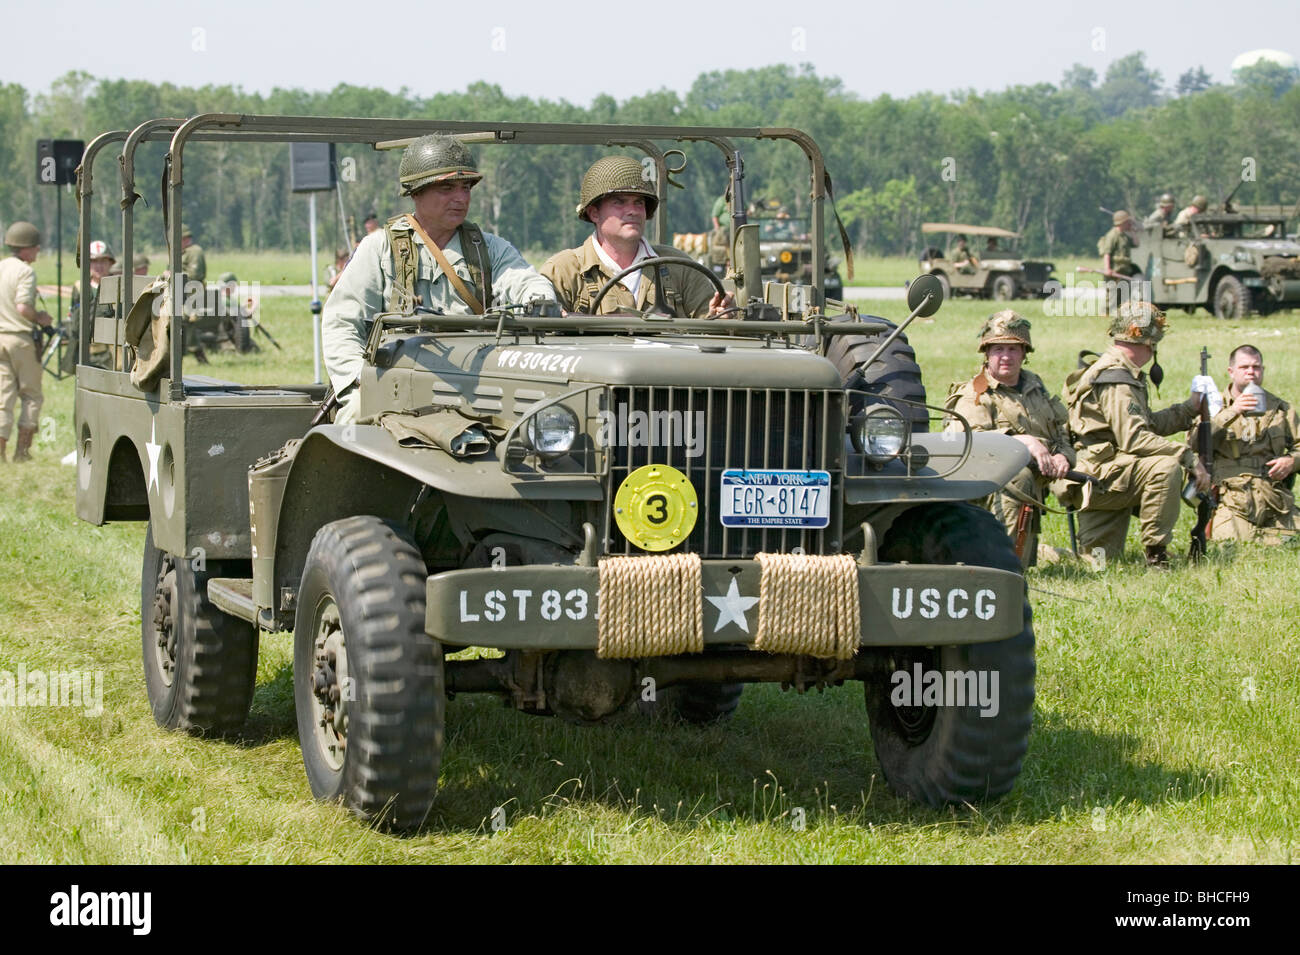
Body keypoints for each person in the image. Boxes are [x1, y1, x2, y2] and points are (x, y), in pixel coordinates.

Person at [323, 134, 557, 424]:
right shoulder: (379, 247)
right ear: (416, 192)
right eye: (447, 188)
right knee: (359, 414)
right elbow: (341, 323)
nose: (461, 198)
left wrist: (540, 298)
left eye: (466, 187)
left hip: (475, 380)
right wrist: (361, 381)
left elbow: (523, 280)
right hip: (397, 384)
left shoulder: (489, 248)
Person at [1061, 301, 1211, 567]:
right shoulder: (1117, 378)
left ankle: (1153, 552)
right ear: (1149, 342)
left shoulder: (1119, 372)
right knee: (1165, 467)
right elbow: (1135, 438)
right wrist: (1188, 456)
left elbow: (1145, 424)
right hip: (1102, 477)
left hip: (1110, 473)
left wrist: (1189, 409)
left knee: (1101, 564)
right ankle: (1157, 558)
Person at [944, 311, 1073, 567]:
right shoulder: (975, 393)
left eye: (1013, 349)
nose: (1006, 356)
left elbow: (1061, 434)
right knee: (1018, 476)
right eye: (998, 349)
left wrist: (1063, 456)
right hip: (981, 488)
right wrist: (1022, 441)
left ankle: (1016, 561)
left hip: (1031, 488)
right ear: (987, 353)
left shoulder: (1035, 388)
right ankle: (1003, 568)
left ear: (1025, 353)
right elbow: (969, 441)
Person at [540, 156, 732, 317]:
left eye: (639, 202)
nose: (632, 211)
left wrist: (720, 317)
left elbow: (711, 326)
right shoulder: (564, 271)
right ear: (594, 213)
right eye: (619, 202)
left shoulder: (678, 267)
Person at [1202, 345, 1300, 543]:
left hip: (1274, 498)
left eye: (1256, 367)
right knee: (1230, 545)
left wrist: (1292, 461)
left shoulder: (1281, 409)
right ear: (1231, 372)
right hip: (1231, 499)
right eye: (1244, 367)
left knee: (1291, 542)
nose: (1251, 372)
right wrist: (1232, 412)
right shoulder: (1213, 406)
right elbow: (1196, 442)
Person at [0, 222, 54, 462]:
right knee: (31, 396)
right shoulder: (25, 271)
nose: (38, 251)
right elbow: (23, 307)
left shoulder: (1, 267)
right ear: (26, 248)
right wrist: (41, 319)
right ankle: (22, 453)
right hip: (21, 340)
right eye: (35, 247)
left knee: (3, 398)